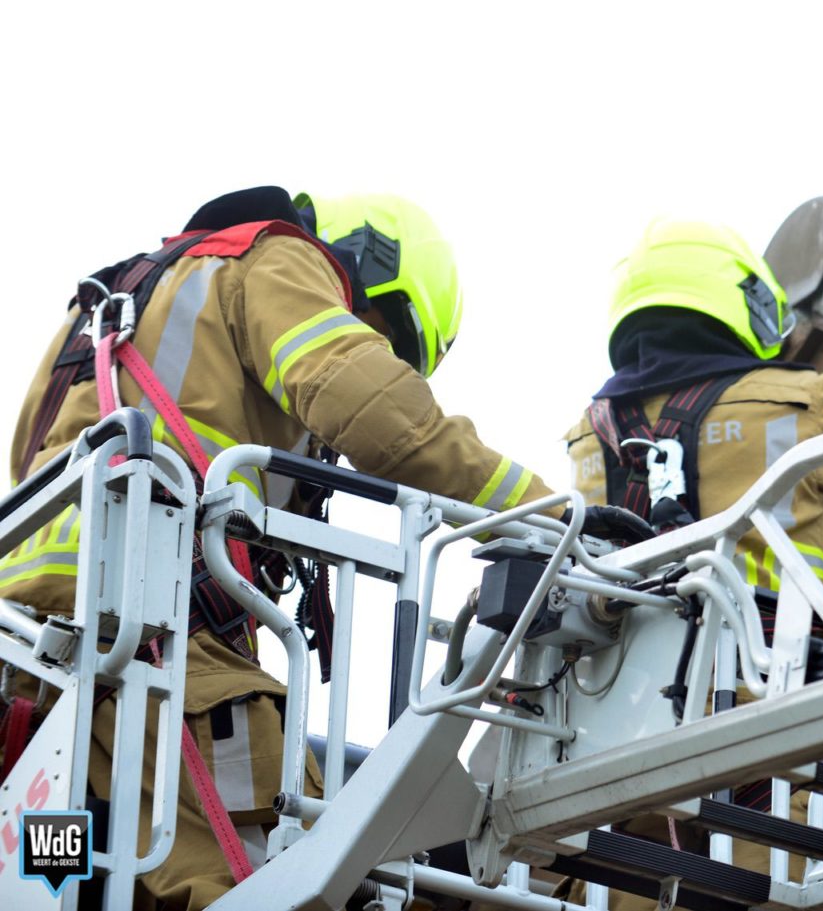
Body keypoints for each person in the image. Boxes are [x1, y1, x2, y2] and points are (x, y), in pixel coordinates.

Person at [0, 186, 557, 910]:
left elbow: (24, 461)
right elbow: (382, 415)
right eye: (378, 332)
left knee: (73, 879)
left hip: (39, 675)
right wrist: (552, 520)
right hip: (173, 669)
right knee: (280, 882)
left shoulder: (103, 307)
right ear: (367, 271)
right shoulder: (276, 261)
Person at [561, 218, 823, 906]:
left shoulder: (587, 441)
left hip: (626, 762)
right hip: (770, 748)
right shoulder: (794, 402)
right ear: (739, 303)